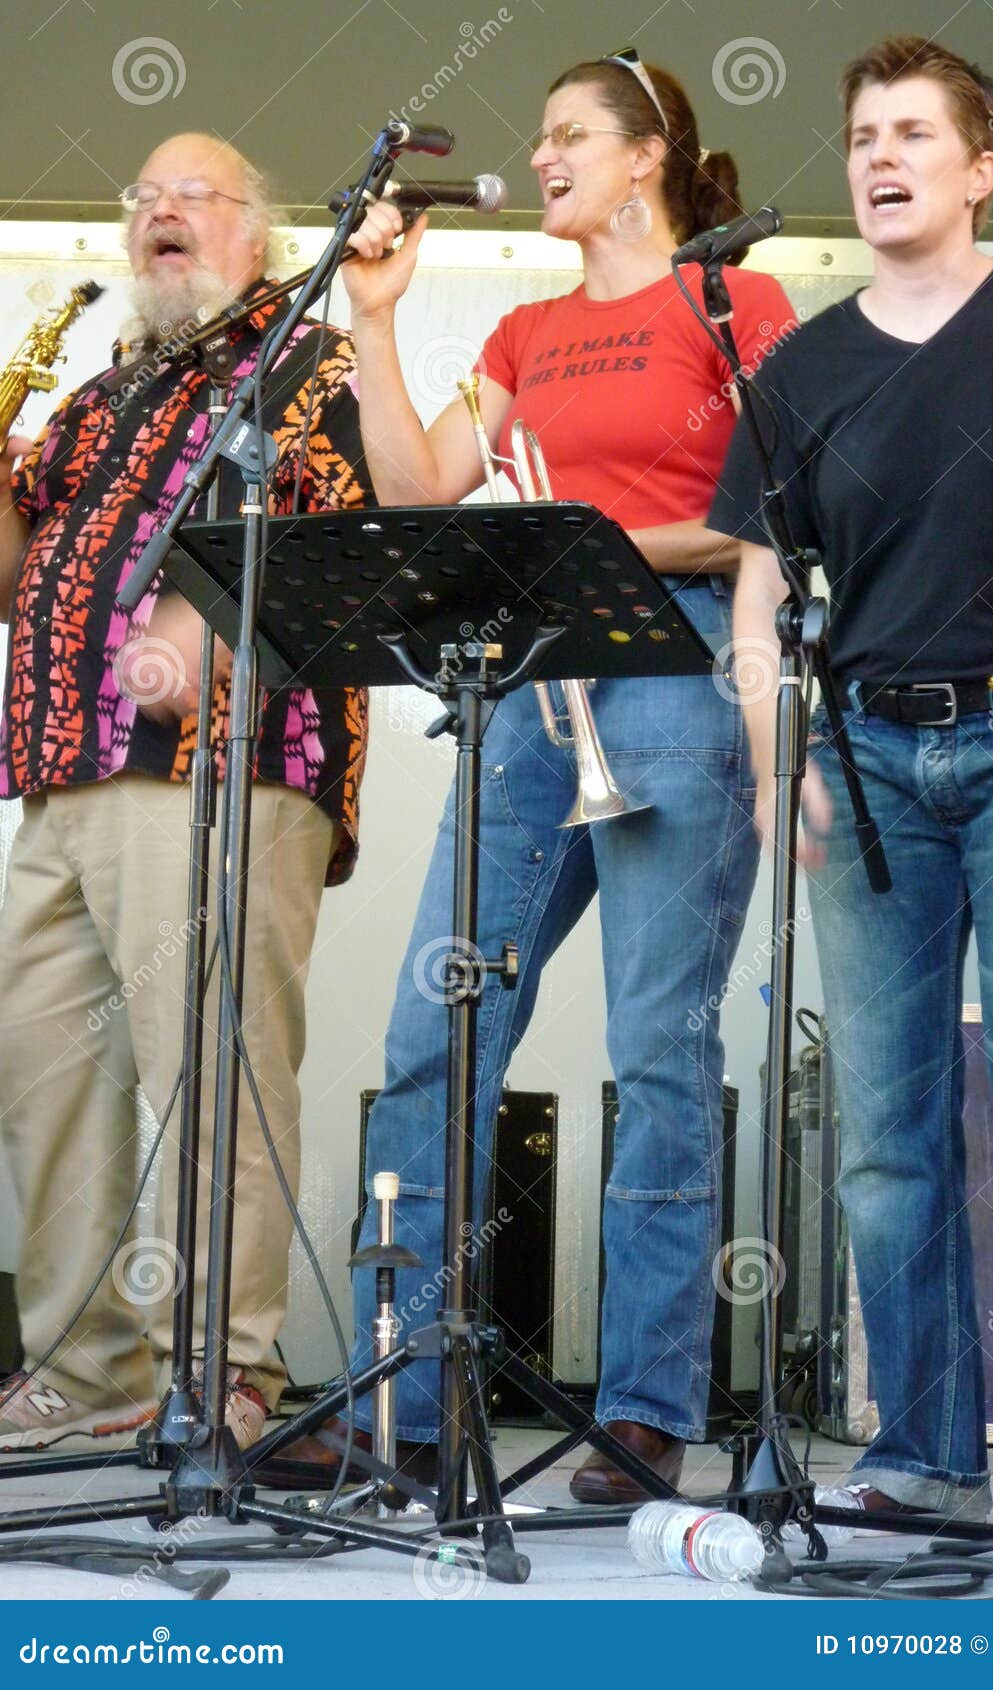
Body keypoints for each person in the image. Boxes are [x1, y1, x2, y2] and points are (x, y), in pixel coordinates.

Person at [270, 50, 796, 1501]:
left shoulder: (733, 302)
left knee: (658, 1044)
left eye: (573, 136)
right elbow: (422, 491)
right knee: (436, 1032)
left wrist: (599, 545)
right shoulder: (521, 326)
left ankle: (640, 1404)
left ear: (649, 156)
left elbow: (763, 521)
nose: (545, 155)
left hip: (678, 664)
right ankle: (409, 1397)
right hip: (530, 678)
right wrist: (375, 325)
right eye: (543, 138)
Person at [710, 36, 993, 1527]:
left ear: (980, 165)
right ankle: (921, 1448)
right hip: (866, 760)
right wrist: (777, 764)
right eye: (860, 136)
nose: (879, 155)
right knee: (887, 1129)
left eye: (911, 132)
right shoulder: (799, 367)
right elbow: (761, 610)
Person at [0, 132, 372, 1452]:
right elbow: (13, 572)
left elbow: (339, 529)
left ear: (255, 239)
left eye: (191, 197)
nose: (160, 212)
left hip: (220, 764)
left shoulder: (309, 360)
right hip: (60, 769)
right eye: (141, 198)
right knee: (49, 1082)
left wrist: (202, 631)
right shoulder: (99, 394)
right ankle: (83, 1369)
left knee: (211, 1077)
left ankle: (221, 1369)